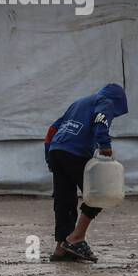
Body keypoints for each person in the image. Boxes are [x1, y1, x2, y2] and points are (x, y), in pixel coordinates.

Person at [45, 84, 128, 263]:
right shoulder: (106, 102)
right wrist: (105, 145)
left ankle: (61, 248)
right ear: (118, 102)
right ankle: (76, 238)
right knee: (100, 193)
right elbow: (100, 120)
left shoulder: (79, 103)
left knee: (64, 201)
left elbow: (52, 129)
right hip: (75, 152)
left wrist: (49, 156)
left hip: (56, 151)